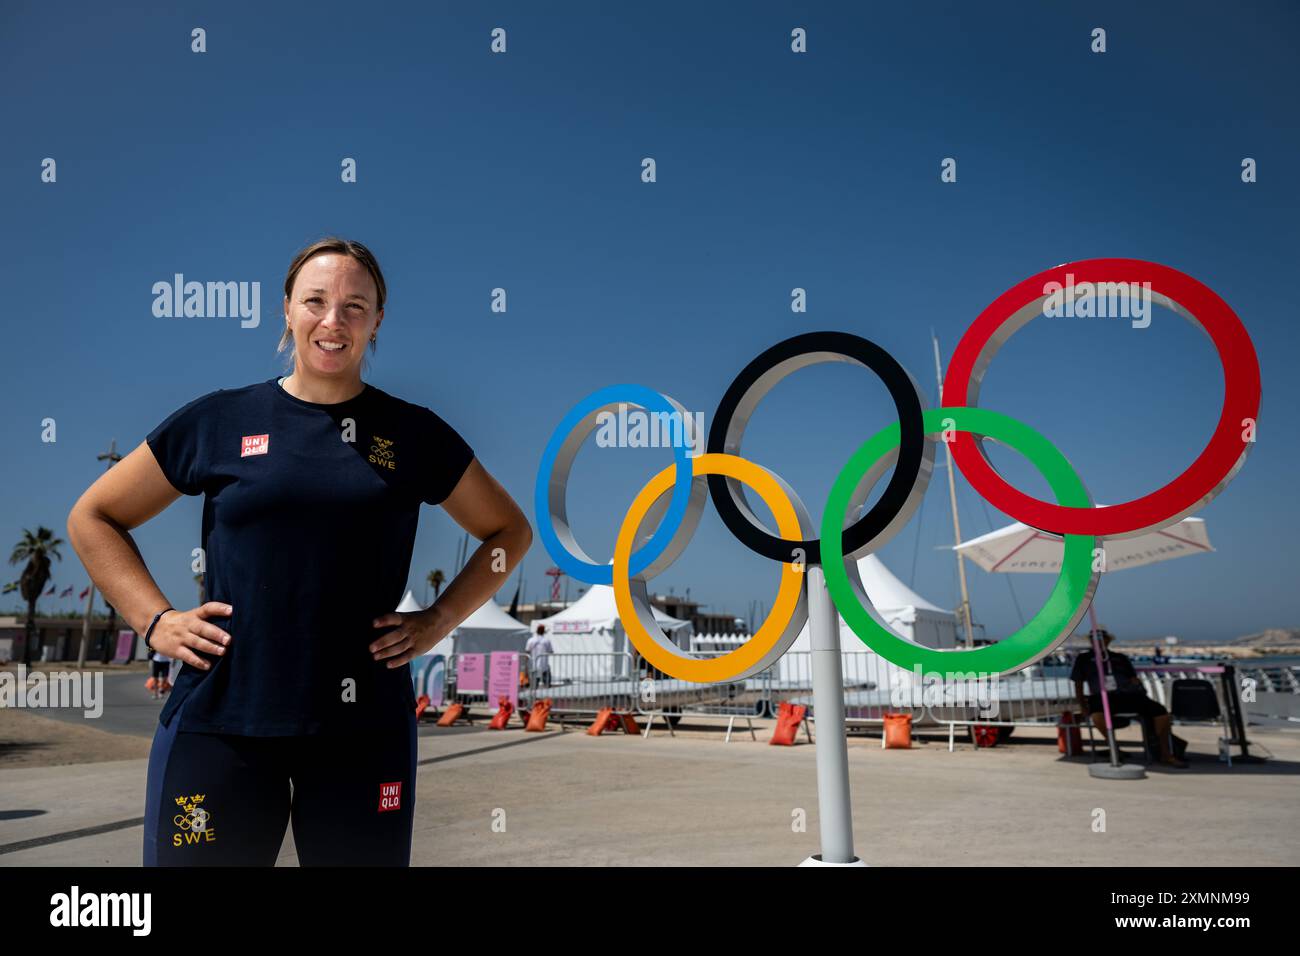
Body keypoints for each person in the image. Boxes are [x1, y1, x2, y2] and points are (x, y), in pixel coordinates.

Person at [67, 237, 533, 865]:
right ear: (286, 310)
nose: (333, 321)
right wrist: (155, 620)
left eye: (354, 306)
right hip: (223, 720)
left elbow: (509, 533)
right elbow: (94, 516)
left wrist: (439, 621)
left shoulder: (413, 435)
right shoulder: (219, 421)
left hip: (363, 733)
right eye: (315, 301)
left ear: (377, 322)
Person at [1071, 629, 1186, 768]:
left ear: (1107, 641)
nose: (1098, 642)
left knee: (1161, 713)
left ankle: (1165, 753)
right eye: (1094, 639)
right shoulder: (1083, 659)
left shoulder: (1120, 658)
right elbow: (1078, 684)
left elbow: (1133, 678)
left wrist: (1136, 686)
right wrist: (1083, 706)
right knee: (1097, 717)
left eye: (1102, 639)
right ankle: (1114, 749)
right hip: (1101, 697)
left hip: (1129, 695)